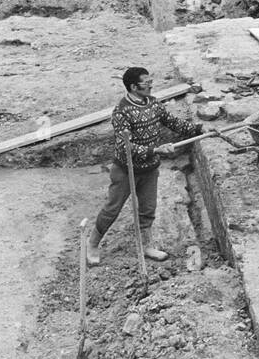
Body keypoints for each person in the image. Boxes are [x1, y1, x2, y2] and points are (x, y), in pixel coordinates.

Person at [87, 67, 206, 266]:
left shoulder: (153, 103)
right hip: (126, 169)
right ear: (133, 87)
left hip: (149, 169)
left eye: (151, 81)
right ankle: (92, 245)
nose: (150, 85)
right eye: (145, 82)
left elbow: (173, 122)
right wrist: (155, 150)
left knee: (148, 209)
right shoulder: (122, 111)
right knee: (112, 208)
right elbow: (125, 146)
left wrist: (198, 129)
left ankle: (146, 245)